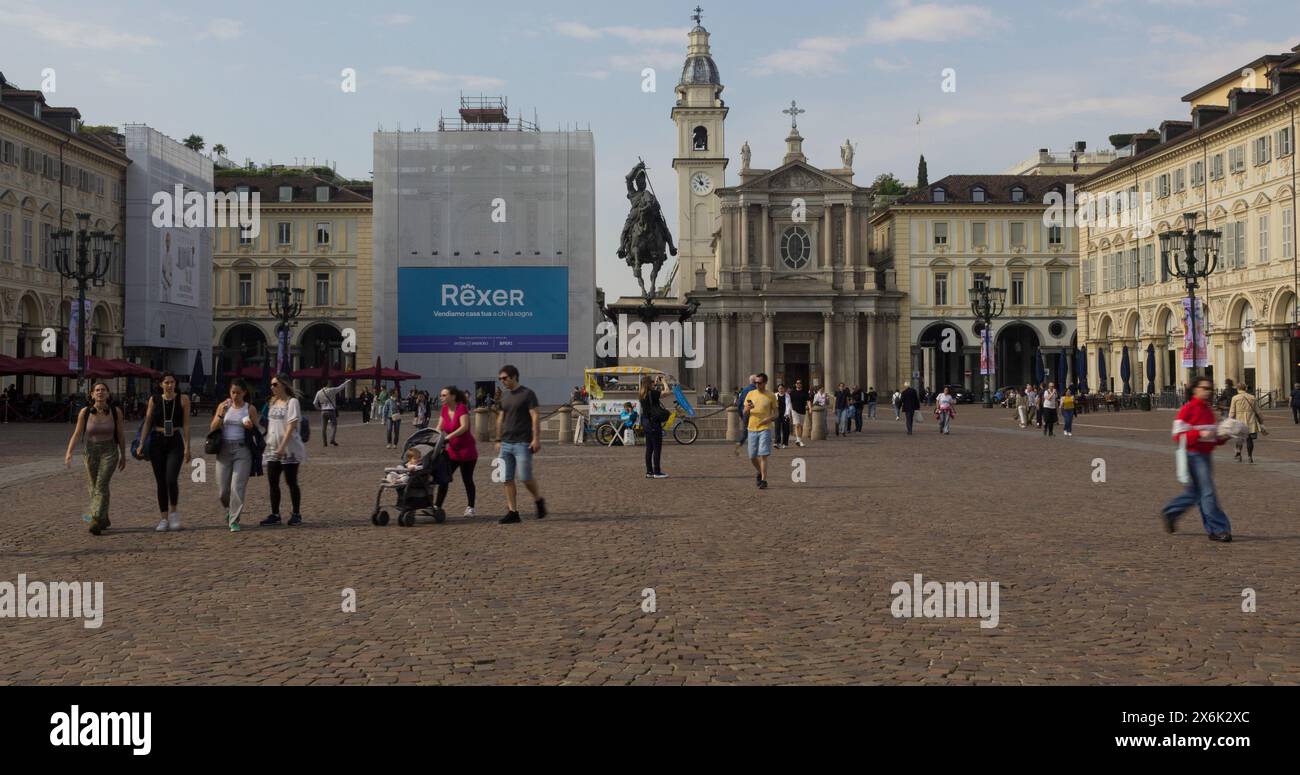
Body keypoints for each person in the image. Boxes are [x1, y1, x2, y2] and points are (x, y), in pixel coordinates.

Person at [1161, 377, 1232, 542]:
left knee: (1196, 493)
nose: (1208, 392)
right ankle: (1218, 529)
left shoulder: (1208, 410)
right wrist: (1199, 434)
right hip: (1193, 455)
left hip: (1206, 455)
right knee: (1207, 492)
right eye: (1205, 388)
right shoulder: (1188, 409)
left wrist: (1224, 437)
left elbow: (1211, 437)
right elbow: (1178, 435)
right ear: (1195, 389)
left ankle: (1171, 512)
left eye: (1210, 389)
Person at [65, 382, 126, 536]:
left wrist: (123, 455)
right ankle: (104, 519)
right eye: (97, 390)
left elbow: (120, 434)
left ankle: (95, 519)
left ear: (108, 394)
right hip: (91, 451)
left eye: (103, 390)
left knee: (101, 483)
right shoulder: (85, 412)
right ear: (92, 394)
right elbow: (77, 433)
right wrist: (69, 452)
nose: (100, 392)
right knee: (94, 486)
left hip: (110, 451)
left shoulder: (116, 411)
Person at [138, 371, 191, 533]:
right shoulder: (154, 399)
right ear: (161, 384)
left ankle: (174, 513)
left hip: (175, 440)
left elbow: (186, 424)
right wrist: (141, 443)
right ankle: (163, 518)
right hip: (157, 441)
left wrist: (187, 447)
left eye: (172, 382)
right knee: (160, 481)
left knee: (171, 479)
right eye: (166, 382)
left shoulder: (183, 399)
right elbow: (148, 422)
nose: (169, 385)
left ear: (176, 384)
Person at [494, 365, 546, 523]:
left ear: (514, 376)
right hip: (505, 443)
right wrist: (498, 439)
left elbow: (535, 416)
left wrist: (536, 438)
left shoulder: (528, 394)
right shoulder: (504, 396)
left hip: (523, 443)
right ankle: (513, 512)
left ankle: (538, 500)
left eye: (504, 378)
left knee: (525, 477)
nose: (502, 381)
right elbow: (500, 418)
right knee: (506, 478)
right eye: (500, 379)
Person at [211, 378, 259, 532]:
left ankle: (234, 520)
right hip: (224, 450)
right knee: (222, 491)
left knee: (237, 486)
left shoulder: (250, 408)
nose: (235, 396)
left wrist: (250, 427)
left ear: (244, 393)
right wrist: (221, 415)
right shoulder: (223, 406)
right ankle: (230, 509)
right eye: (233, 392)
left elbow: (257, 432)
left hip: (242, 450)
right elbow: (212, 428)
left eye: (238, 393)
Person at [260, 374, 306, 526]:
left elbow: (291, 426)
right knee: (273, 482)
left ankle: (296, 513)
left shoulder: (292, 402)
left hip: (289, 449)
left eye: (275, 384)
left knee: (291, 481)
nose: (272, 387)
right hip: (273, 448)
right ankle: (275, 514)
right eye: (271, 384)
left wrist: (282, 446)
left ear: (284, 385)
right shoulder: (273, 402)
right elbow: (270, 425)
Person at [435, 385, 479, 517]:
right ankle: (437, 506)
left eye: (444, 395)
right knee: (444, 478)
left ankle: (470, 507)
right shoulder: (444, 409)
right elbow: (439, 427)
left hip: (467, 451)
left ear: (453, 396)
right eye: (441, 395)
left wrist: (447, 438)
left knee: (467, 479)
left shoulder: (461, 408)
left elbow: (464, 427)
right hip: (453, 452)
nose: (441, 398)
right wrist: (434, 437)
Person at [743, 373, 776, 489]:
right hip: (752, 428)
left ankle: (763, 480)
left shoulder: (771, 395)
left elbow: (776, 413)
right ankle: (760, 471)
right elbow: (744, 412)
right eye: (755, 382)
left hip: (765, 429)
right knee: (752, 456)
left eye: (759, 383)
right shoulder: (750, 394)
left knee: (763, 454)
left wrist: (769, 418)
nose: (757, 384)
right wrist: (747, 409)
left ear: (765, 383)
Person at [639, 374, 669, 478]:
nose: (653, 383)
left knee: (649, 449)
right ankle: (657, 472)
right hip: (654, 423)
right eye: (651, 382)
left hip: (646, 423)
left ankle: (649, 472)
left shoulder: (642, 394)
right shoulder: (653, 393)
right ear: (649, 384)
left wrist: (656, 383)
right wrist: (664, 382)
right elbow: (667, 392)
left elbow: (652, 393)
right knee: (657, 449)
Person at [1228, 383, 1265, 464]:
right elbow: (1258, 411)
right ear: (1246, 388)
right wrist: (1261, 421)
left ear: (1238, 389)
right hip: (1251, 421)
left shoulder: (1235, 398)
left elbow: (1232, 411)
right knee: (1249, 440)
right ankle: (1250, 457)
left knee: (1239, 439)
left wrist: (1230, 420)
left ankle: (1239, 455)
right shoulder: (1252, 397)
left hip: (1240, 421)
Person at [312, 378, 352, 448]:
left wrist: (319, 408)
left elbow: (314, 403)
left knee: (323, 428)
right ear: (327, 384)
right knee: (334, 426)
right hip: (331, 410)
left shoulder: (318, 392)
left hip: (323, 411)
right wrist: (347, 382)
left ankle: (325, 443)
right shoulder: (331, 390)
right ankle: (332, 439)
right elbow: (340, 387)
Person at [733, 374, 758, 456]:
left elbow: (739, 404)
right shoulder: (756, 390)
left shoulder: (744, 390)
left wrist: (742, 415)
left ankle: (739, 443)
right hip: (755, 414)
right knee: (756, 432)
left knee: (745, 432)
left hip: (745, 413)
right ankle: (754, 450)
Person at [787, 379, 809, 448]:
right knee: (797, 425)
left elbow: (808, 400)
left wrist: (810, 408)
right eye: (797, 383)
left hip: (802, 410)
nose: (798, 384)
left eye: (799, 383)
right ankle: (799, 440)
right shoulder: (792, 393)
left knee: (801, 426)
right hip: (794, 410)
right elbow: (789, 402)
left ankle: (799, 439)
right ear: (795, 384)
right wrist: (790, 410)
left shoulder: (805, 392)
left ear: (801, 384)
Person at [774, 383, 791, 449]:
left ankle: (785, 443)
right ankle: (777, 442)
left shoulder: (787, 396)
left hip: (785, 414)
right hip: (777, 413)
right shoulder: (775, 395)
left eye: (782, 388)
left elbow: (788, 405)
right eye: (779, 388)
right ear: (778, 389)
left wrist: (787, 414)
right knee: (777, 428)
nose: (781, 390)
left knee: (785, 429)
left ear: (784, 389)